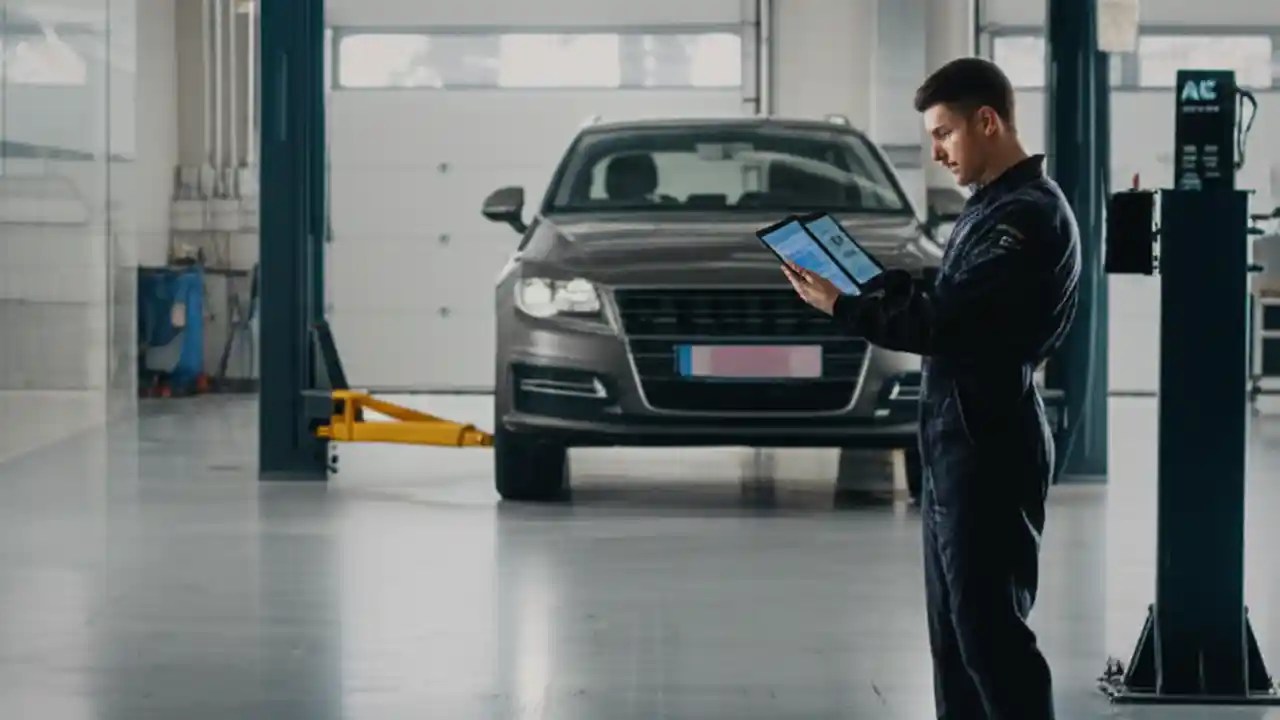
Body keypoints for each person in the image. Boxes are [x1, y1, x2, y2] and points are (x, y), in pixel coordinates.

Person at [783, 57, 1080, 719]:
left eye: (944, 133)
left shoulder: (1026, 216)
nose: (938, 151)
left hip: (990, 442)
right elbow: (949, 296)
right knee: (955, 640)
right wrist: (868, 283)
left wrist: (843, 306)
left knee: (989, 636)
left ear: (987, 121)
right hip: (958, 441)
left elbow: (945, 321)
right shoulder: (993, 207)